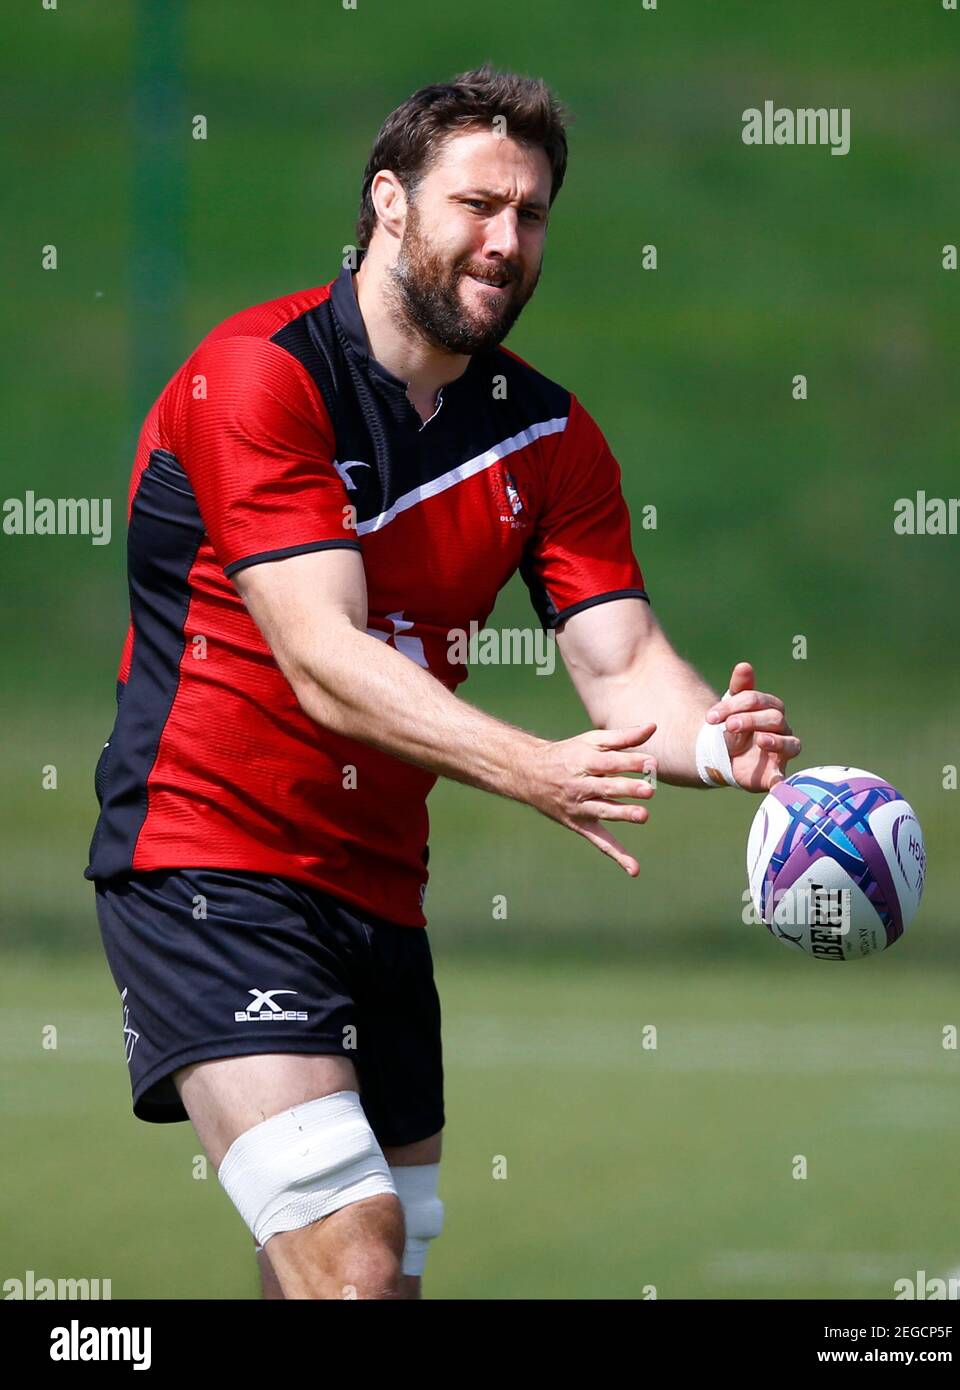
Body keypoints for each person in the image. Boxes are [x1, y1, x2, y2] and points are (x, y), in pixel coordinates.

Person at [86, 63, 800, 1301]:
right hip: (205, 864)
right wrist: (531, 767)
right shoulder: (257, 377)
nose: (505, 241)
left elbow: (623, 659)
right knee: (350, 1259)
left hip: (376, 894)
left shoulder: (550, 436)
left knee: (375, 1277)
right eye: (477, 204)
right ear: (390, 204)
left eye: (530, 215)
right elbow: (323, 656)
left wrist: (712, 747)